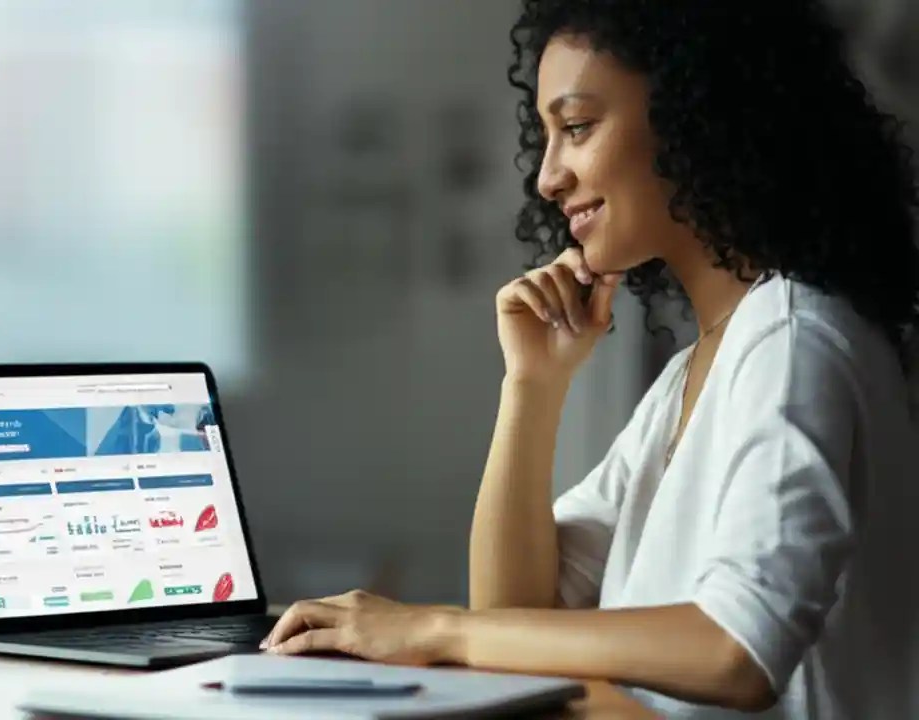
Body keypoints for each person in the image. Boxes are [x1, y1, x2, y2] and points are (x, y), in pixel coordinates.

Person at [259, 1, 919, 717]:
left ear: (696, 118)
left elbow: (739, 650)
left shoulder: (791, 340)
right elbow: (516, 615)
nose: (547, 178)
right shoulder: (696, 374)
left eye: (575, 128)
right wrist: (532, 387)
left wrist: (433, 626)